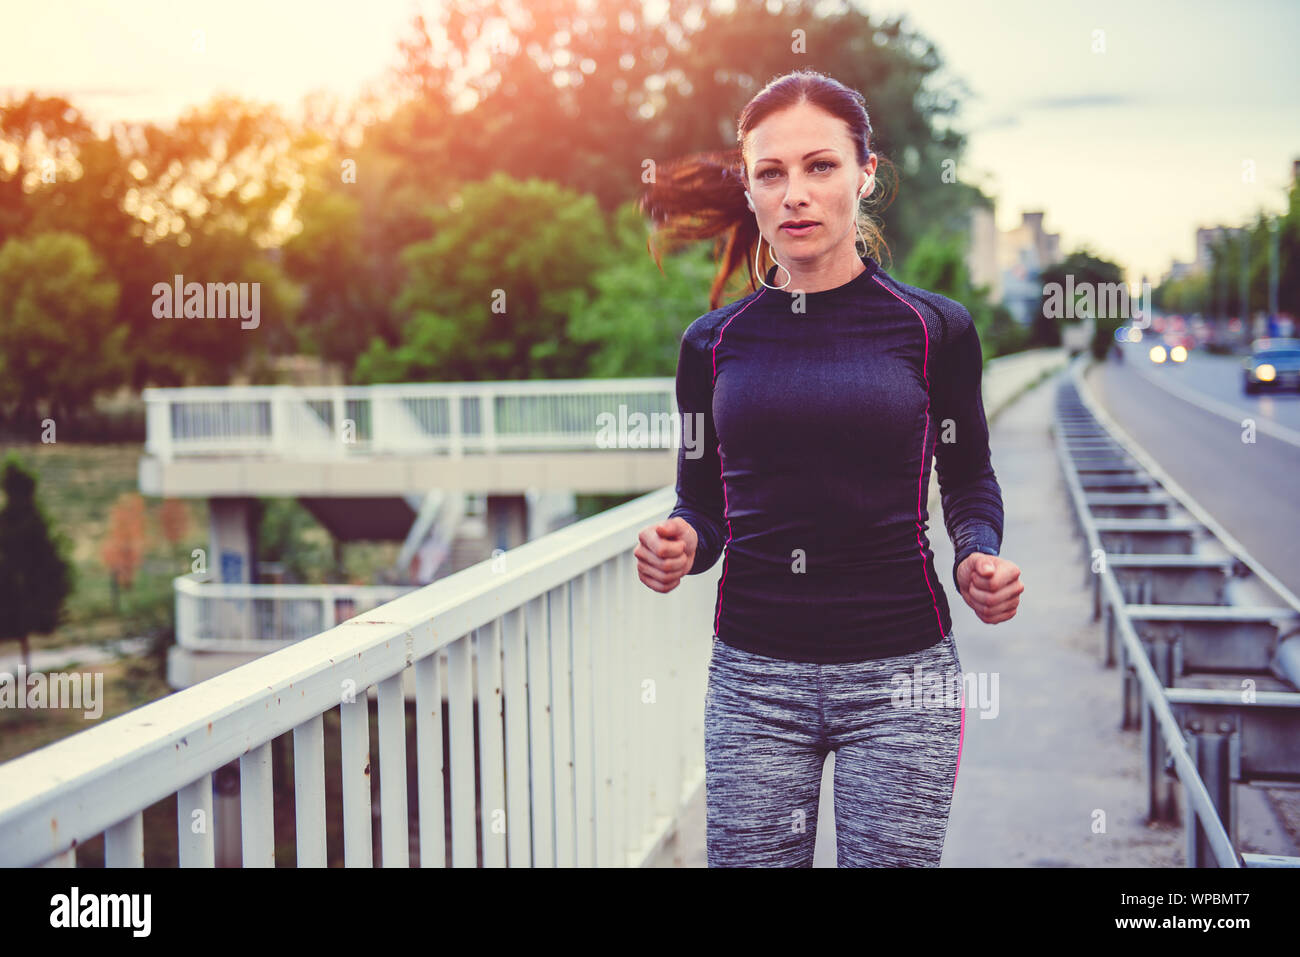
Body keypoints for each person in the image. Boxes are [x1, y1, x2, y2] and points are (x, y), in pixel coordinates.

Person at [634, 69, 1023, 867]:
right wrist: (680, 541)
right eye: (770, 173)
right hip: (753, 682)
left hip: (902, 678)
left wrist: (977, 549)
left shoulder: (933, 329)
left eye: (821, 166)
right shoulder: (711, 344)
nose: (795, 194)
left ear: (865, 174)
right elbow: (702, 503)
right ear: (749, 189)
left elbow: (970, 476)